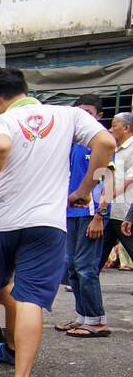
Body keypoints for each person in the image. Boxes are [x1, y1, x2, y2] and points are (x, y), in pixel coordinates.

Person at [0, 68, 114, 377]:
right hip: (46, 223)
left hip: (1, 222)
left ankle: (7, 342)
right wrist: (85, 188)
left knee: (0, 286)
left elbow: (1, 147)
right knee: (31, 297)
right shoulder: (69, 115)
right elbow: (105, 142)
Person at [55, 97, 110, 338]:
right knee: (72, 267)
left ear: (98, 116)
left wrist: (100, 215)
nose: (83, 117)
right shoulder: (70, 143)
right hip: (69, 212)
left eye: (88, 112)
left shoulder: (102, 143)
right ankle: (83, 316)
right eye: (79, 112)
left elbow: (107, 181)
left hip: (90, 213)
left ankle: (97, 319)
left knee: (87, 267)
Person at [97, 112, 133, 269]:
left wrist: (106, 198)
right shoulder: (112, 148)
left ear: (126, 128)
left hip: (125, 210)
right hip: (109, 210)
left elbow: (129, 180)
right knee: (99, 249)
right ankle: (84, 280)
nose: (110, 129)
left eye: (114, 125)